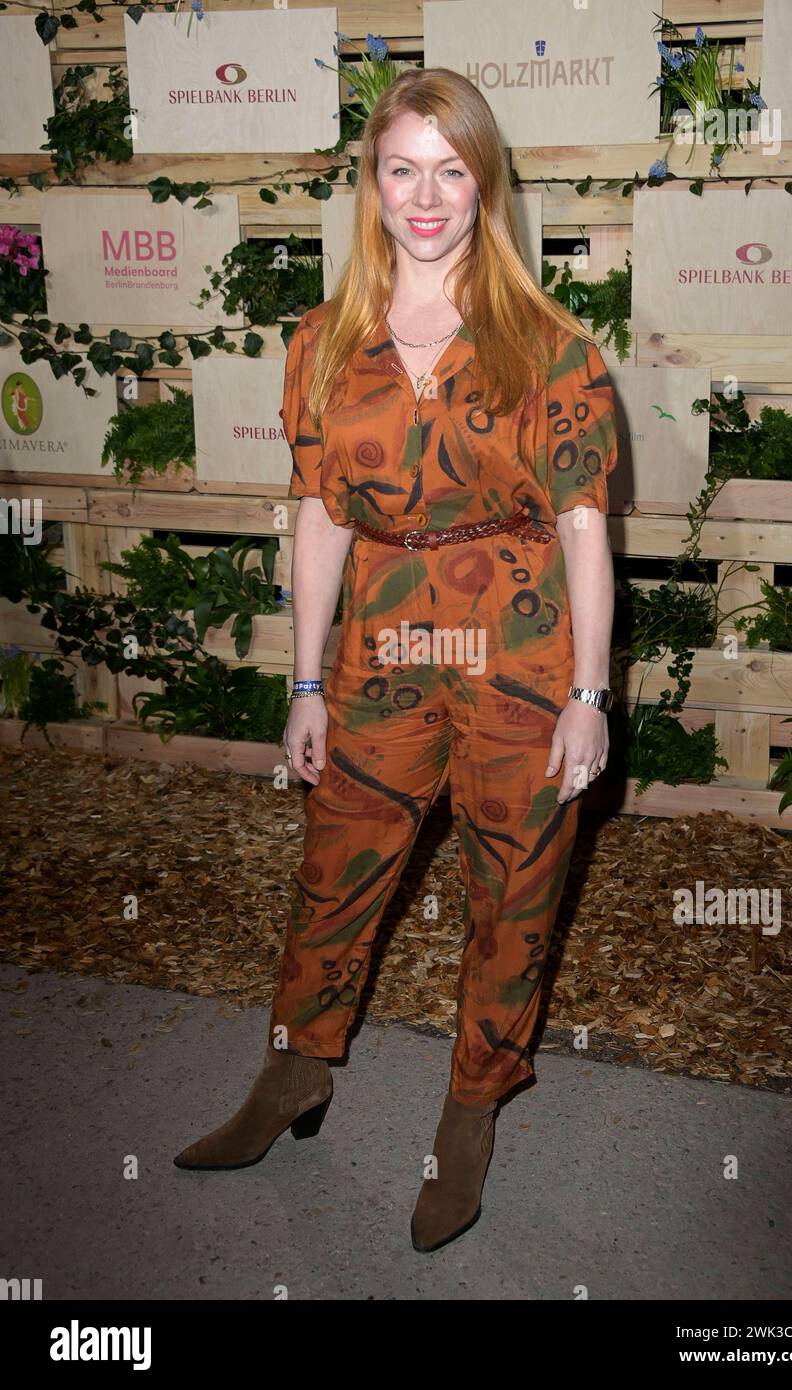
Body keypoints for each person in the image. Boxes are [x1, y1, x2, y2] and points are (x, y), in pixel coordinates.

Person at [175, 67, 618, 1254]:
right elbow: (319, 515)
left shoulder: (551, 344)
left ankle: (472, 1107)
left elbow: (585, 524)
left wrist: (589, 691)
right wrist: (304, 680)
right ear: (372, 184)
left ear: (486, 183)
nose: (427, 197)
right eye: (402, 168)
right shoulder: (326, 341)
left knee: (514, 890)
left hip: (524, 648)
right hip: (381, 640)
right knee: (337, 868)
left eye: (452, 169)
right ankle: (293, 1073)